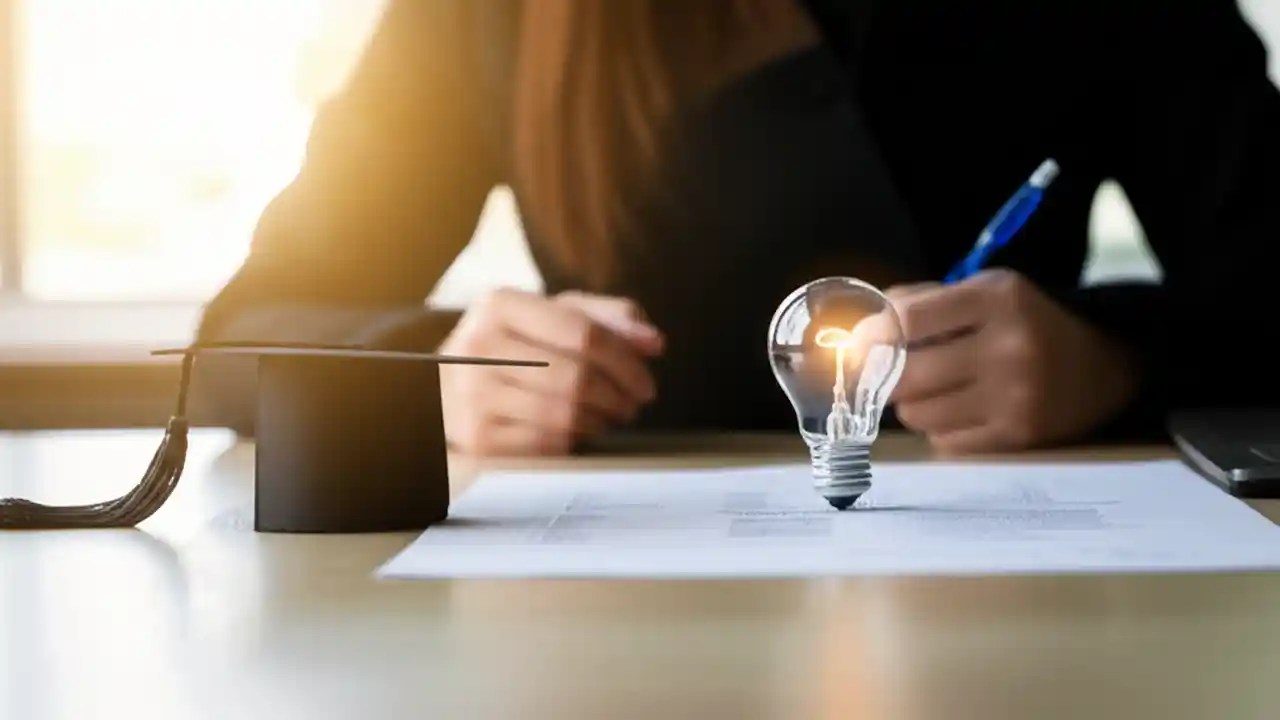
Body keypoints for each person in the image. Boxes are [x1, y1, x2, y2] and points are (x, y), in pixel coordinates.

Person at [193, 0, 1280, 456]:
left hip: (1026, 605)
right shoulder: (485, 16)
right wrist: (435, 371)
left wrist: (1115, 363)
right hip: (617, 630)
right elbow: (235, 346)